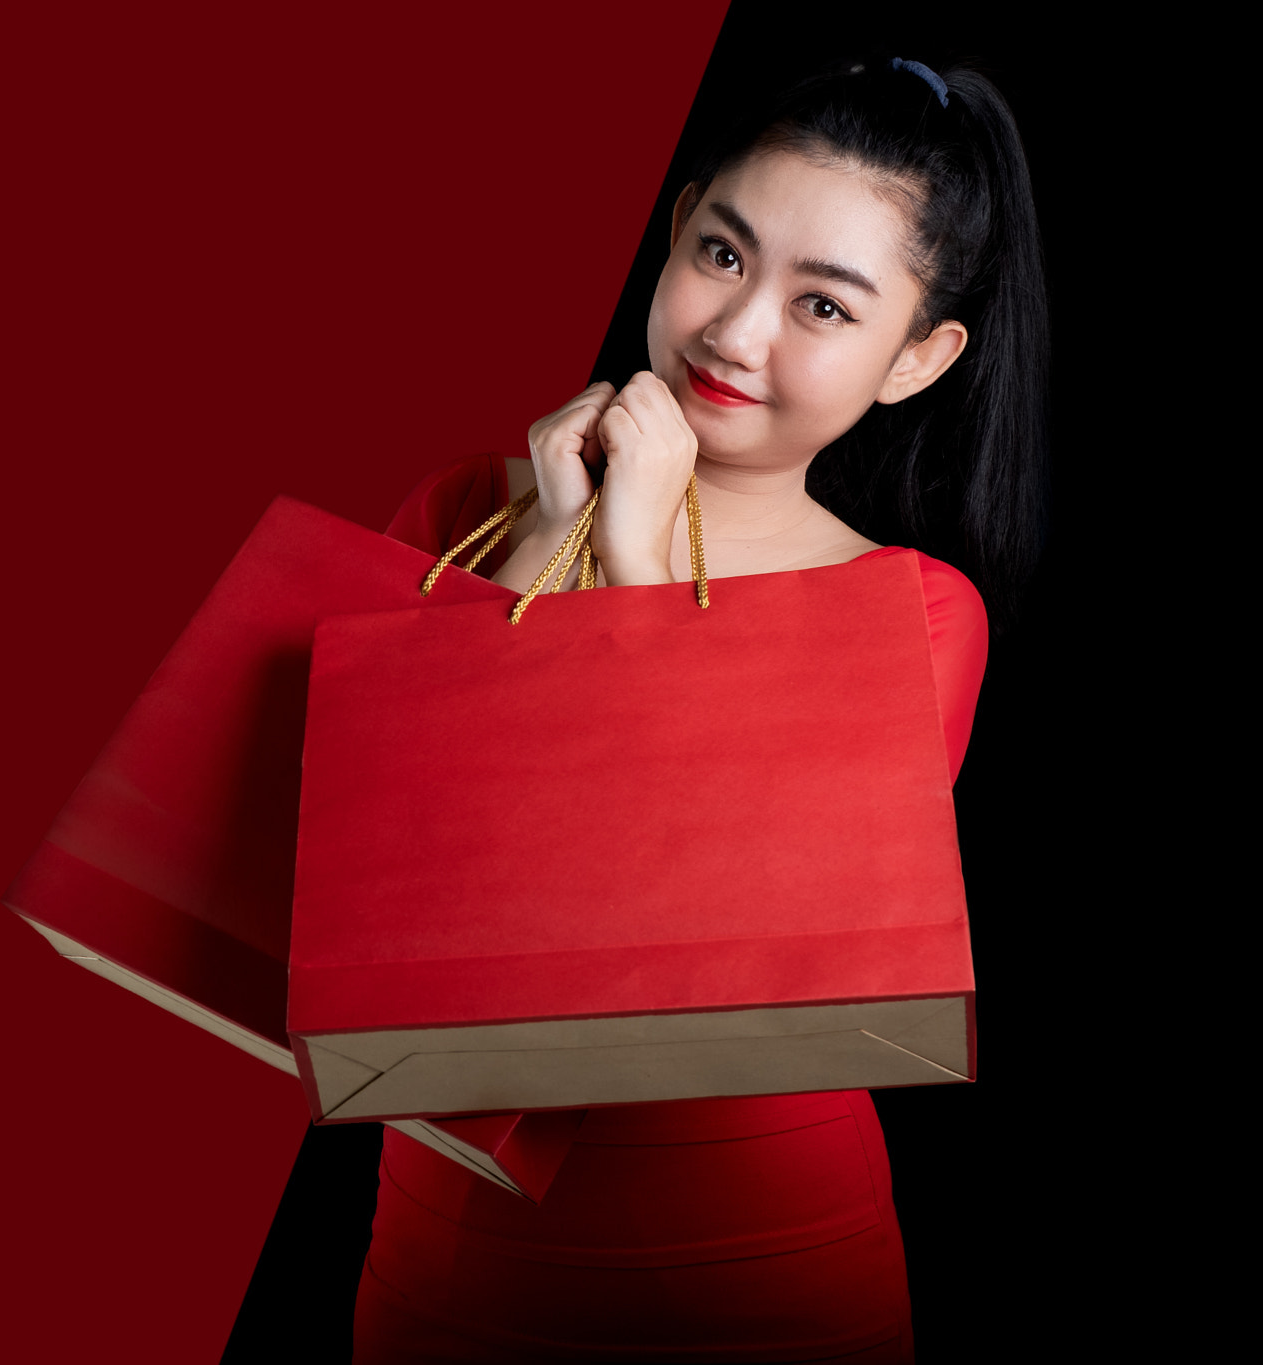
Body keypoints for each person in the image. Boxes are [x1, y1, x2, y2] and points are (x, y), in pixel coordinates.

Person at [353, 56, 1047, 1363]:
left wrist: (635, 570)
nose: (736, 331)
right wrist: (545, 538)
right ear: (674, 230)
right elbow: (383, 877)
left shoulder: (914, 609)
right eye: (724, 253)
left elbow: (716, 945)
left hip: (768, 1266)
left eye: (824, 305)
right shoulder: (461, 515)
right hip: (452, 1256)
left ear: (917, 359)